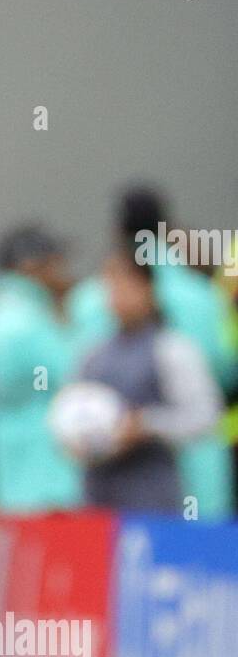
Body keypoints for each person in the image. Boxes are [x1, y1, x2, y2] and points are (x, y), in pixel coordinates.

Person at [69, 185, 236, 519]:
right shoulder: (202, 294)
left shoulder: (86, 300)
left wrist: (145, 425)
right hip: (160, 477)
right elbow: (225, 372)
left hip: (165, 479)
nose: (113, 297)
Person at [72, 251, 222, 512]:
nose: (117, 295)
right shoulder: (92, 354)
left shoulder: (172, 348)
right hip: (98, 502)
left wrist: (146, 425)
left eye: (126, 284)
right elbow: (70, 410)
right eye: (111, 286)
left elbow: (205, 416)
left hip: (153, 502)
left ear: (148, 289)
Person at [0, 223, 82, 511]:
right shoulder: (27, 319)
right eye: (54, 262)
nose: (62, 270)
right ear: (30, 265)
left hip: (10, 473)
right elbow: (76, 375)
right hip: (43, 478)